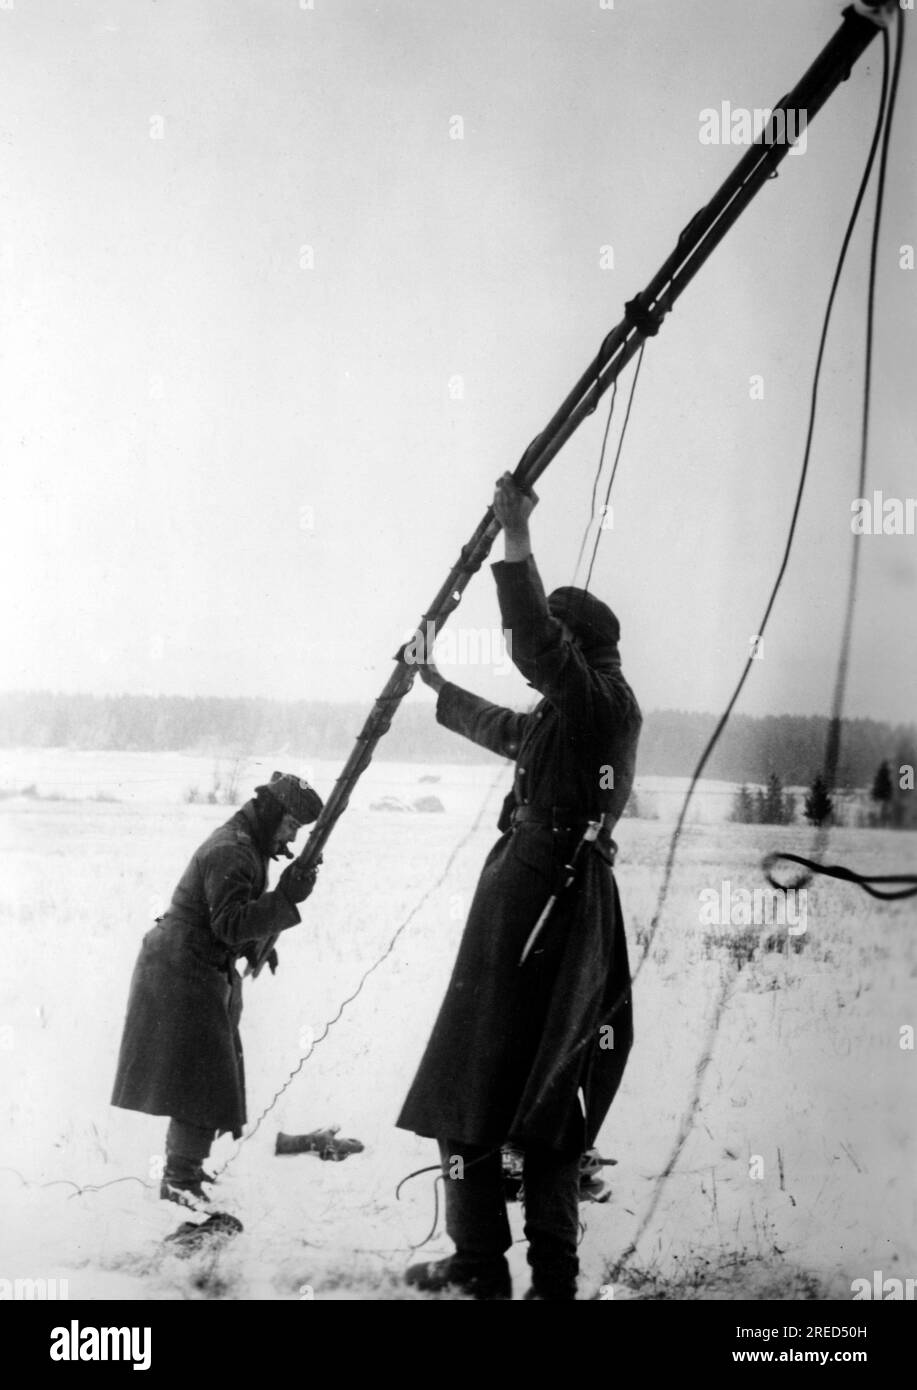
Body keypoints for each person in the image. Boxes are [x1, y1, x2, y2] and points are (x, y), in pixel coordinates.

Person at [397, 473, 642, 1300]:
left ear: (577, 648)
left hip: (555, 908)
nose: (541, 670)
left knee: (542, 1101)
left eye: (555, 651)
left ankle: (552, 1278)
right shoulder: (562, 715)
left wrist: (515, 537)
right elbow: (504, 729)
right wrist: (431, 687)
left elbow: (535, 643)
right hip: (528, 899)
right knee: (469, 1080)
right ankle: (477, 1263)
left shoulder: (600, 702)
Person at [111, 771, 323, 1207]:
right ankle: (179, 1181)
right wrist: (284, 900)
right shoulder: (232, 850)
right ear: (271, 814)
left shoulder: (250, 842)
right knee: (201, 1078)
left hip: (196, 964)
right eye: (289, 826)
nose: (292, 837)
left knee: (205, 1077)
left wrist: (259, 940)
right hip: (180, 969)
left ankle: (185, 1171)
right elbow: (228, 923)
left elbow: (230, 916)